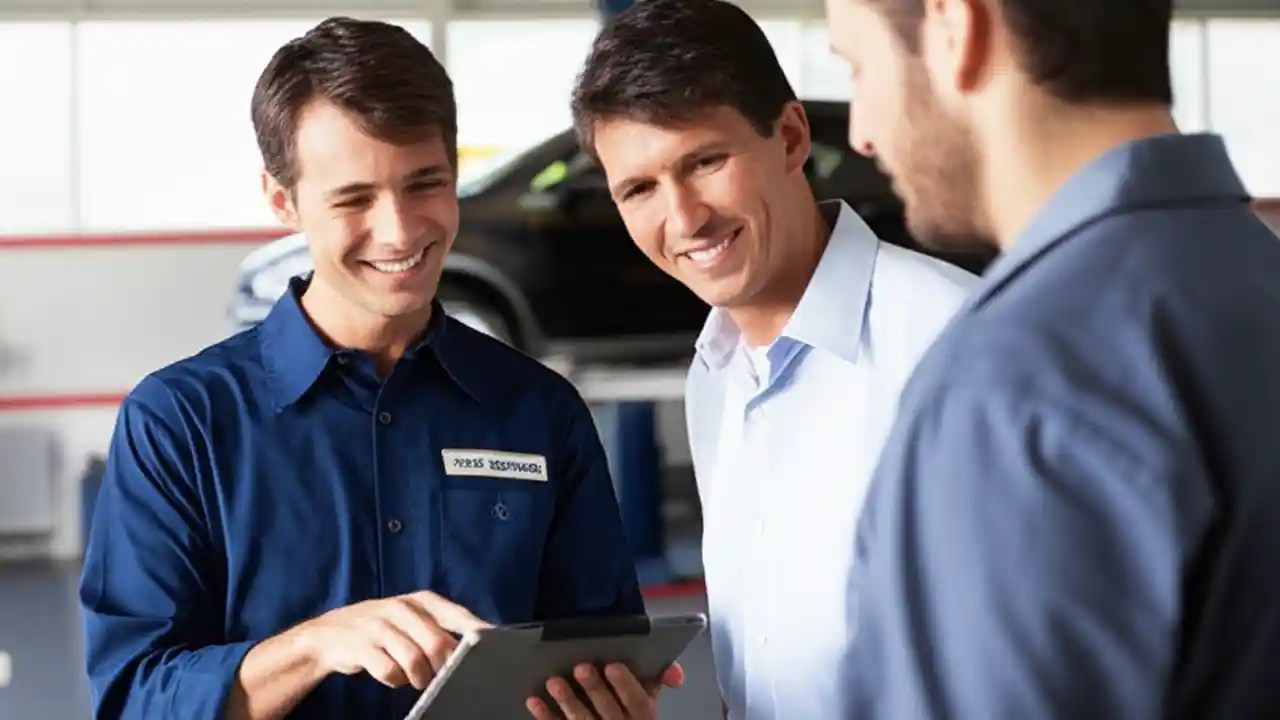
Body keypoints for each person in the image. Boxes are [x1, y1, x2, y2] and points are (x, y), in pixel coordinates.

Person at [79, 17, 673, 720]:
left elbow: (594, 658)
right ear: (282, 199)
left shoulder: (542, 413)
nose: (399, 230)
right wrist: (312, 648)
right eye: (354, 198)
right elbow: (133, 698)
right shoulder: (180, 423)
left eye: (425, 184)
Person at [825, 0, 1280, 717]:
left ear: (956, 28)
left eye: (857, 66)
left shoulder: (1013, 383)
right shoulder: (1253, 271)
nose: (863, 135)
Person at [563, 1, 979, 717]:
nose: (684, 219)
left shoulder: (958, 343)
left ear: (789, 139)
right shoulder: (714, 376)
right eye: (639, 189)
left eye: (706, 162)